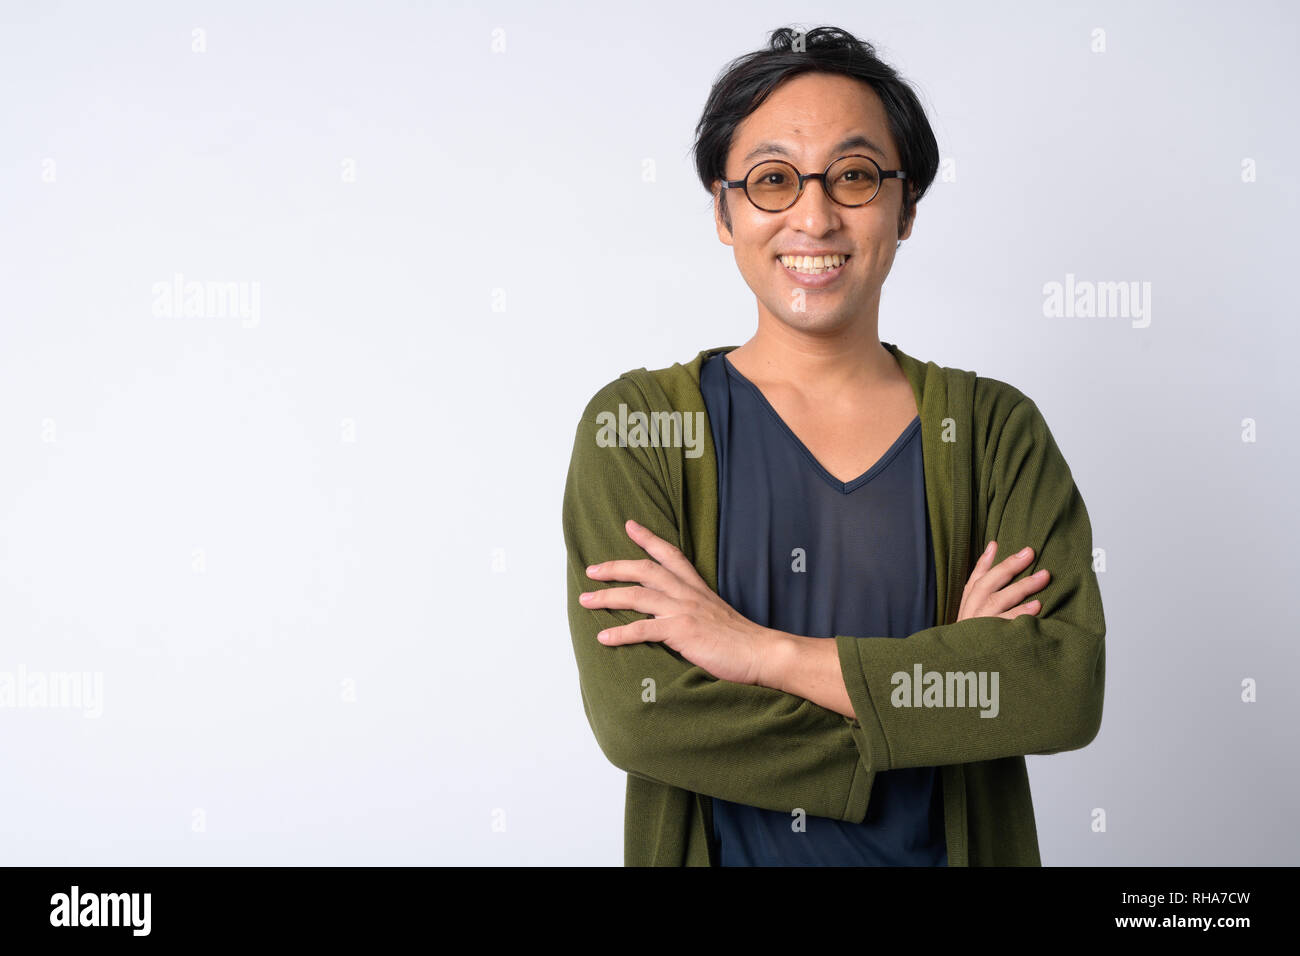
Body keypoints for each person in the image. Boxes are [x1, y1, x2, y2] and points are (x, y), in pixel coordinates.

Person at [561, 25, 1105, 866]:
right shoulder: (640, 429)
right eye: (773, 180)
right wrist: (937, 701)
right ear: (724, 209)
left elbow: (1057, 689)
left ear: (907, 204)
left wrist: (759, 652)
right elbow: (643, 714)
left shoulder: (995, 431)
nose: (814, 216)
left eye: (854, 177)